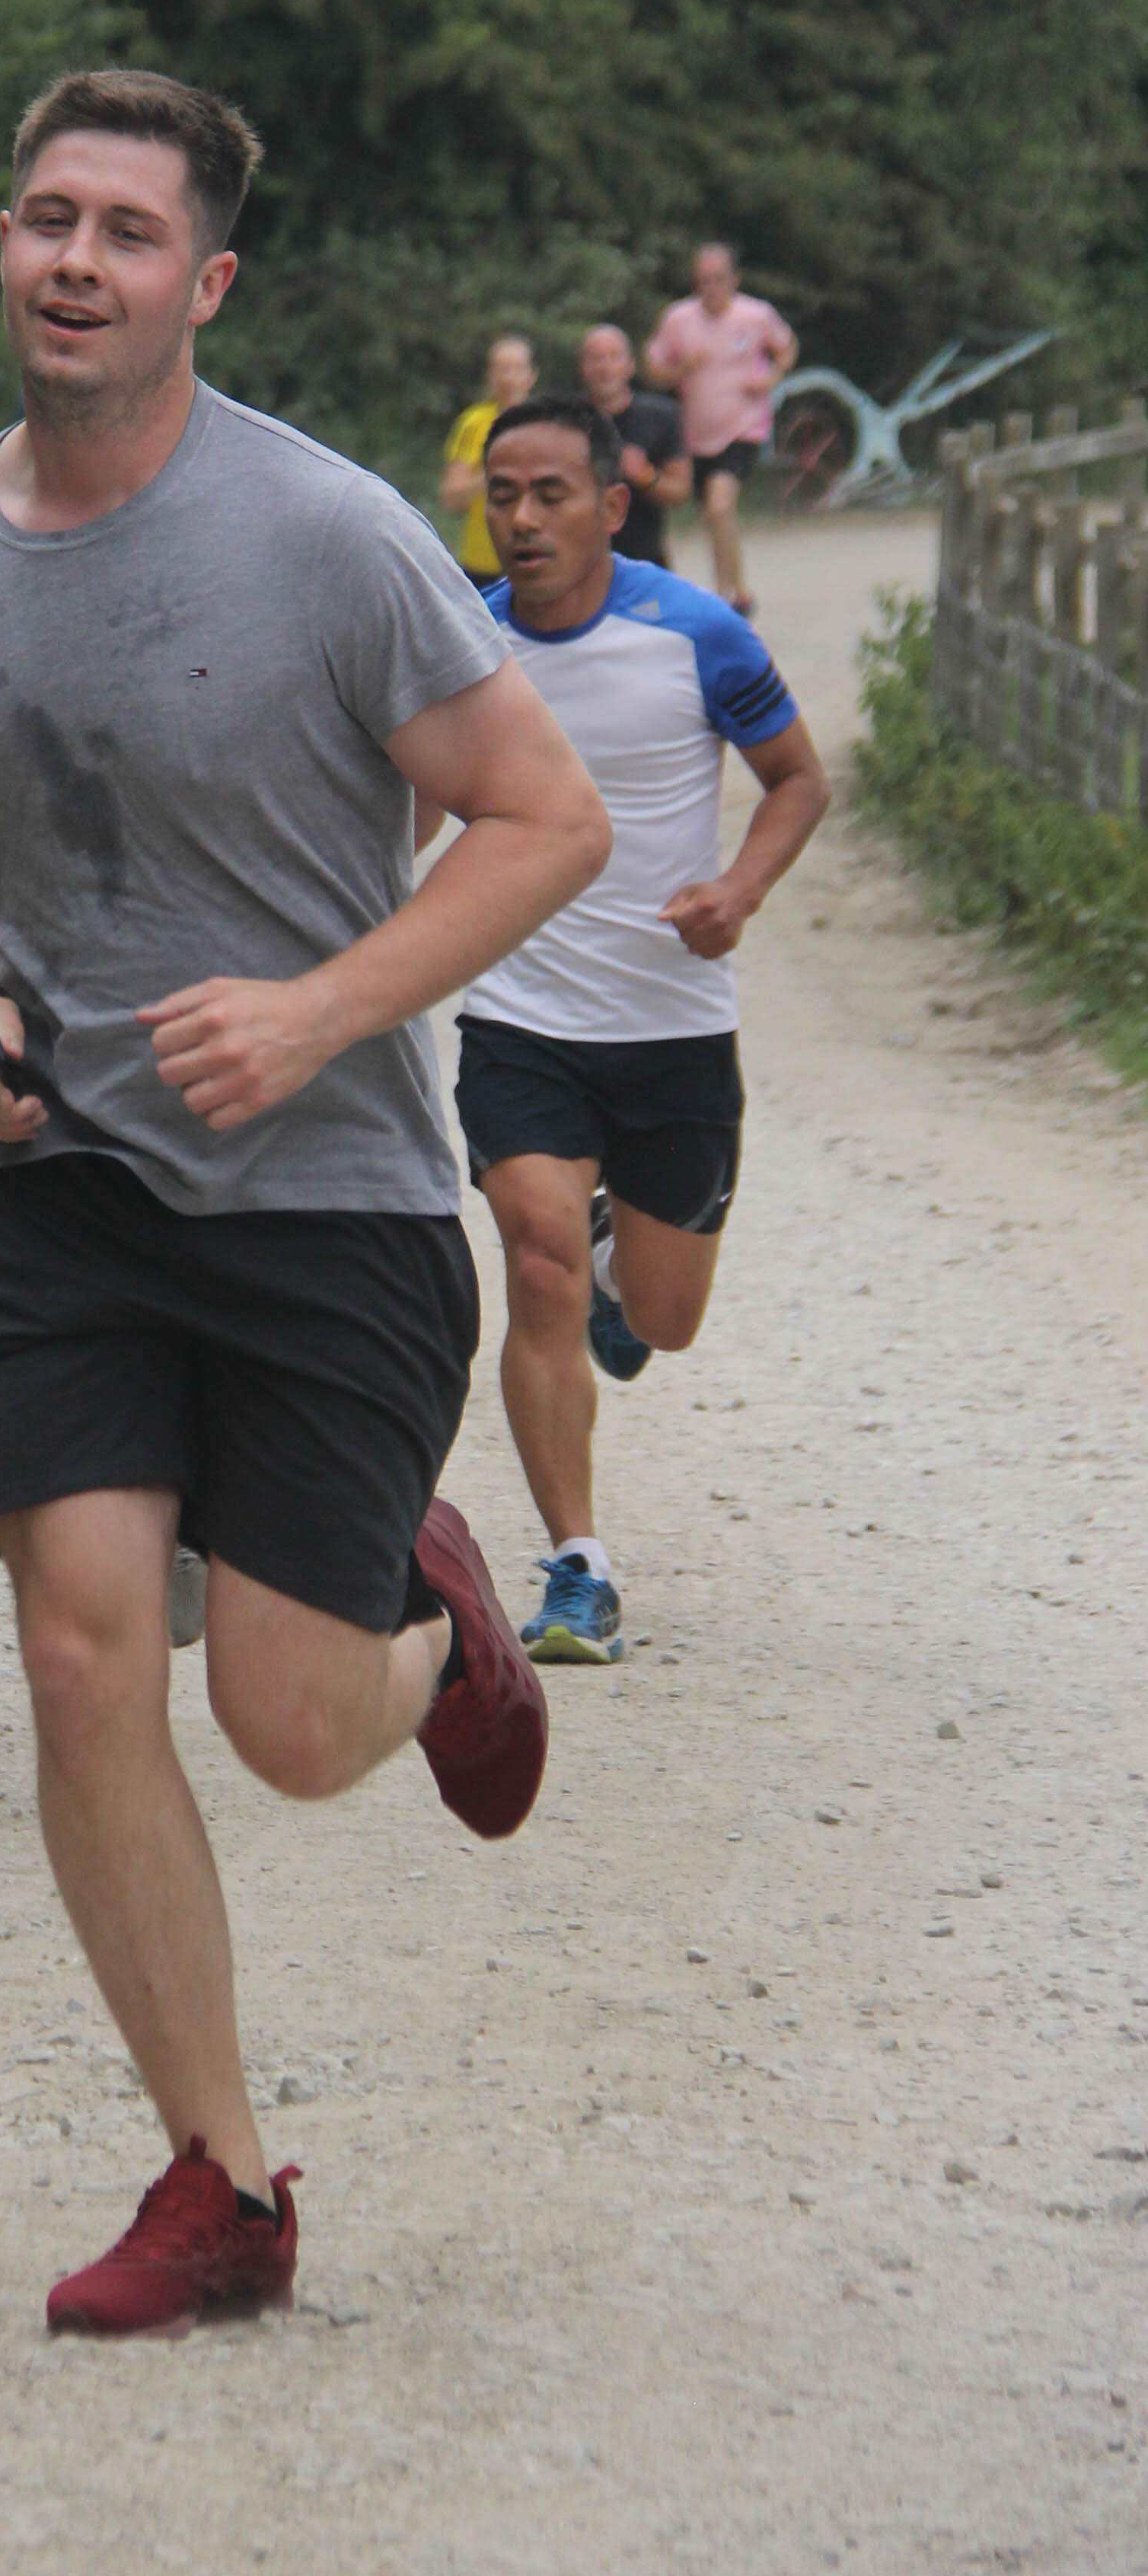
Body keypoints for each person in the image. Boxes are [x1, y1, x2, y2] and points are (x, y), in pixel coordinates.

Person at [0, 68, 611, 2336]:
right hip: (68, 1178)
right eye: (41, 215)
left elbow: (544, 812)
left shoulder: (326, 534)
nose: (70, 258)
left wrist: (308, 1013)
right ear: (2, 244)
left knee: (289, 1724)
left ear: (202, 283)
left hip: (324, 1193)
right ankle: (220, 2177)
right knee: (84, 1649)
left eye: (121, 230)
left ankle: (436, 1628)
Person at [454, 394, 830, 1666]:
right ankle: (577, 1566)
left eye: (548, 492)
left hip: (669, 1026)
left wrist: (738, 889)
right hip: (519, 1012)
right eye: (501, 493)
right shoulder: (462, 642)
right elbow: (399, 807)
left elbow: (797, 779)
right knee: (537, 1257)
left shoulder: (697, 634)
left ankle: (625, 1249)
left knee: (658, 1324)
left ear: (612, 505)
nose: (519, 518)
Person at [644, 242, 796, 614]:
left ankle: (728, 596)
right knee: (714, 515)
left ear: (734, 280)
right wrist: (682, 370)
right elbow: (653, 369)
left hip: (744, 428)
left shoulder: (755, 315)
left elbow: (787, 347)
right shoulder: (679, 319)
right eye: (703, 280)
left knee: (719, 504)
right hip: (696, 435)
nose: (711, 287)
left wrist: (771, 378)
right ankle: (738, 590)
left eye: (718, 279)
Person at [579, 322, 688, 570]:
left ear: (629, 366)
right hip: (579, 565)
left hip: (644, 562)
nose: (604, 367)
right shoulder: (565, 422)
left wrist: (645, 475)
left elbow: (680, 492)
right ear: (584, 368)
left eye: (614, 357)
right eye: (596, 359)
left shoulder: (661, 416)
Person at [439, 331, 536, 589]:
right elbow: (452, 498)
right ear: (490, 376)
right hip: (482, 565)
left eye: (517, 369)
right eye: (502, 369)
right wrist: (492, 471)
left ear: (531, 376)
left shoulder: (546, 425)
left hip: (536, 559)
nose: (510, 378)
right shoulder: (473, 423)